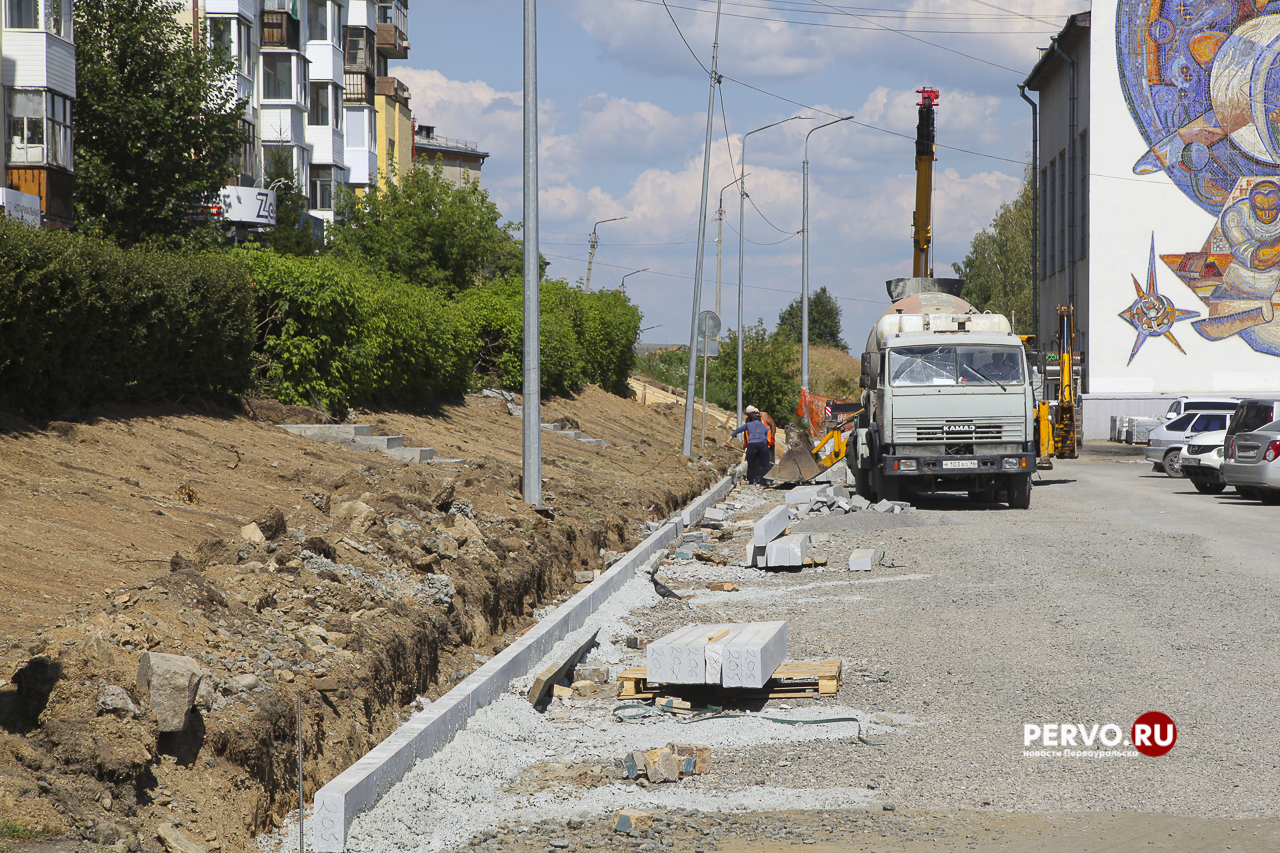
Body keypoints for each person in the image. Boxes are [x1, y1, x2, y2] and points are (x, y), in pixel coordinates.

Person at [725, 410, 771, 486]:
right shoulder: (765, 427)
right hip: (762, 445)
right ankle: (763, 483)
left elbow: (737, 431)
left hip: (752, 445)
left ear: (753, 419)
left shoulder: (748, 425)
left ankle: (751, 482)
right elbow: (766, 439)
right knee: (765, 465)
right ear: (760, 420)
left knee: (751, 465)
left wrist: (729, 440)